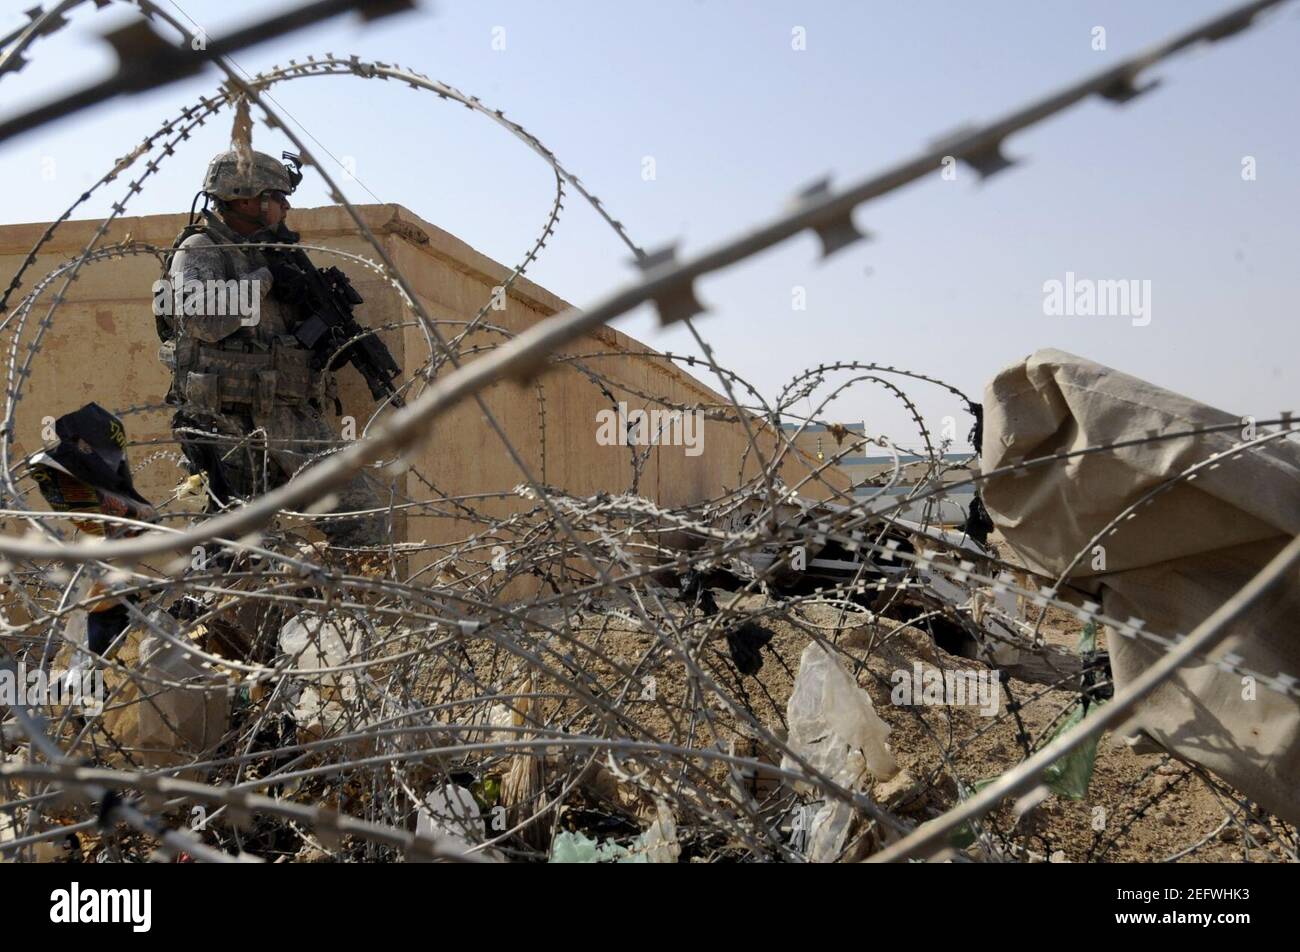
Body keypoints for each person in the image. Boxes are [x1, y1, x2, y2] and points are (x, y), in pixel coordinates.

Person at [158, 149, 390, 553]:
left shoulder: (270, 252)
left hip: (290, 418)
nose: (285, 206)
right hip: (229, 424)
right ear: (245, 198)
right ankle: (207, 615)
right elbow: (201, 320)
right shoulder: (201, 248)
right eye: (276, 196)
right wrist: (266, 279)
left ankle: (349, 615)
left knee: (362, 518)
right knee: (238, 548)